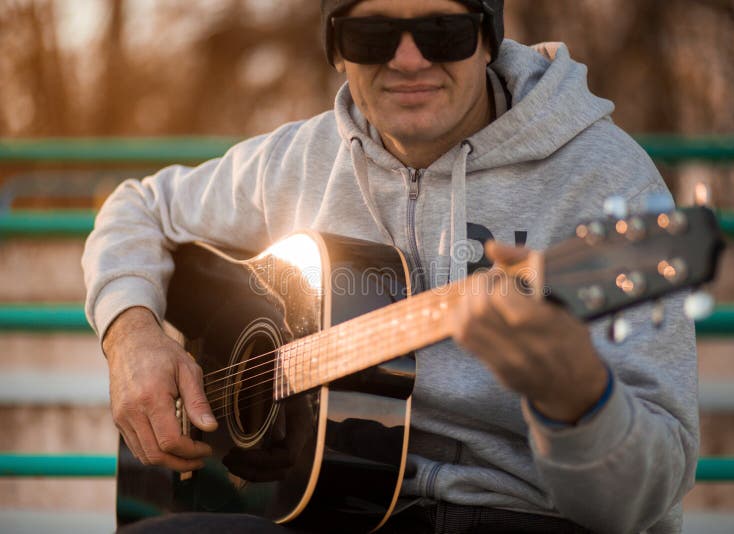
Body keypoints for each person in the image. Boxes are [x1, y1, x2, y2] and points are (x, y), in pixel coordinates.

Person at [82, 0, 699, 532]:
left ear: (487, 37)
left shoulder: (601, 179)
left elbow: (640, 504)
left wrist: (578, 402)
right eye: (372, 35)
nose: (408, 59)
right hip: (325, 509)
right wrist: (130, 334)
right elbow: (136, 206)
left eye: (443, 33)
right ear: (336, 48)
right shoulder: (297, 158)